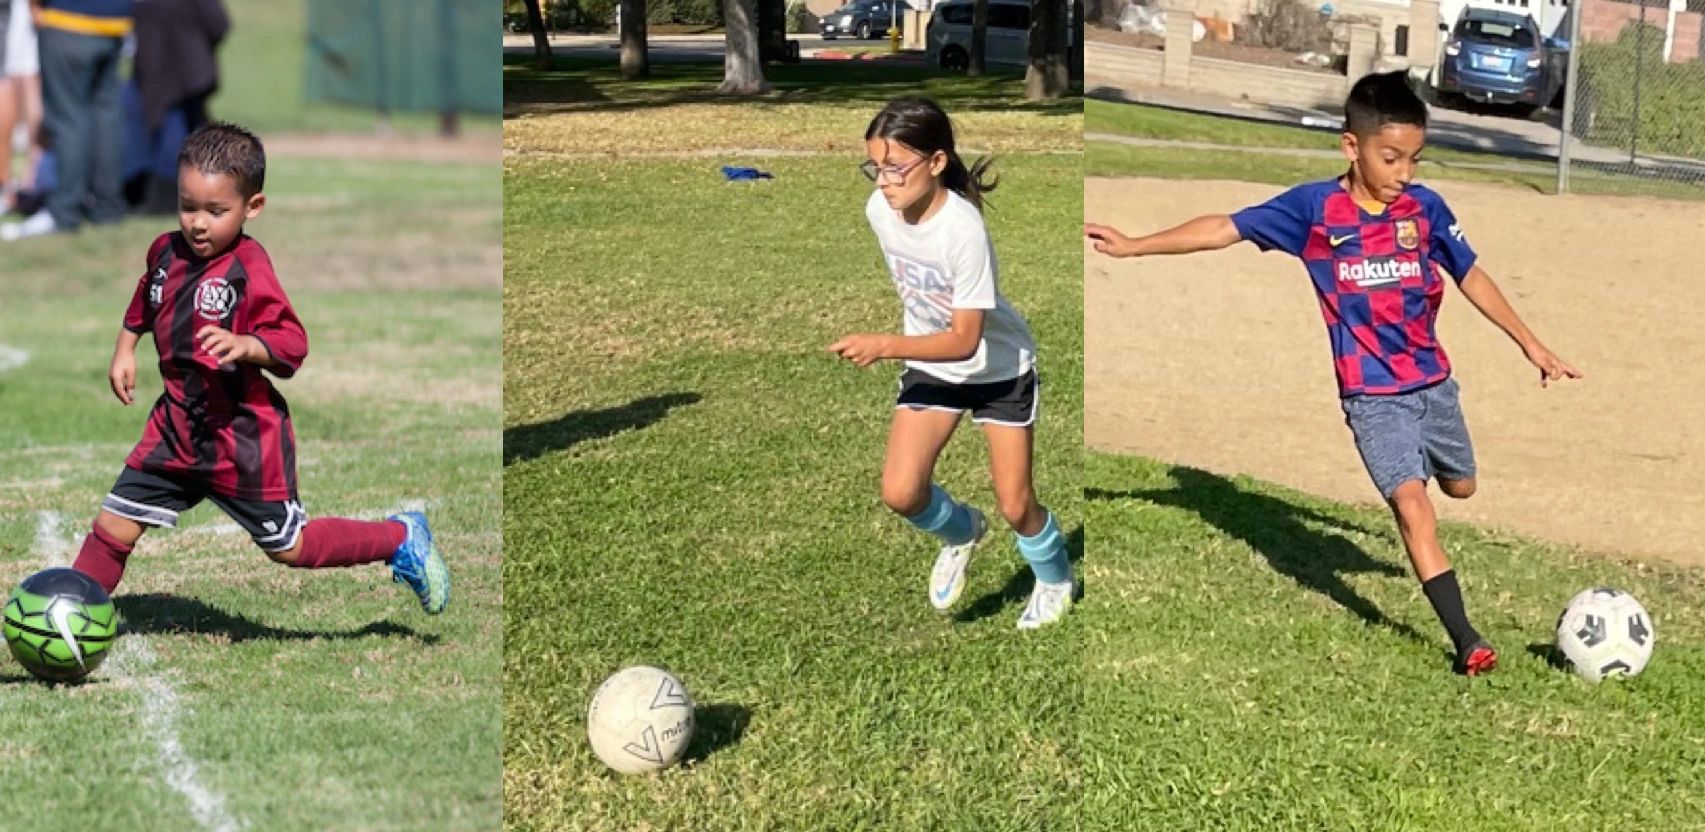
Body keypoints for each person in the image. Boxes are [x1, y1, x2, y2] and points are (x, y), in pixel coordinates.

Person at [1085, 71, 1580, 675]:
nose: (1405, 173)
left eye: (1415, 160)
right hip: (1372, 395)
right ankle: (1467, 640)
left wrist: (1531, 344)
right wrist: (1134, 245)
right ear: (1352, 146)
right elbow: (1226, 227)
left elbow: (1471, 274)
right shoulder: (1315, 212)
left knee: (1461, 488)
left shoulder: (1425, 211)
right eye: (1391, 158)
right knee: (1412, 507)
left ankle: (1436, 474)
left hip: (1433, 385)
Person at [70, 122, 452, 615]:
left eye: (215, 210)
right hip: (176, 430)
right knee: (112, 527)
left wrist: (246, 345)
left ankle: (400, 537)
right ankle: (67, 612)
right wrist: (126, 347)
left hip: (242, 438)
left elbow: (293, 343)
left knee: (291, 546)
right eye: (188, 206)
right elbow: (148, 296)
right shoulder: (165, 250)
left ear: (253, 207)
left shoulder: (249, 268)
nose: (198, 223)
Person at [831, 97, 1073, 630]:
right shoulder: (881, 211)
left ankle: (1055, 579)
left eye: (895, 168)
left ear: (936, 163)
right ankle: (962, 531)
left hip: (998, 372)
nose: (882, 182)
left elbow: (966, 340)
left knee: (1016, 504)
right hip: (932, 366)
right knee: (900, 491)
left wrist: (885, 344)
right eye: (875, 166)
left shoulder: (964, 231)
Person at [1, 0, 130, 240]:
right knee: (106, 116)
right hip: (115, 22)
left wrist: (34, 8)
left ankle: (64, 210)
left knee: (69, 119)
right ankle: (108, 207)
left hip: (68, 19)